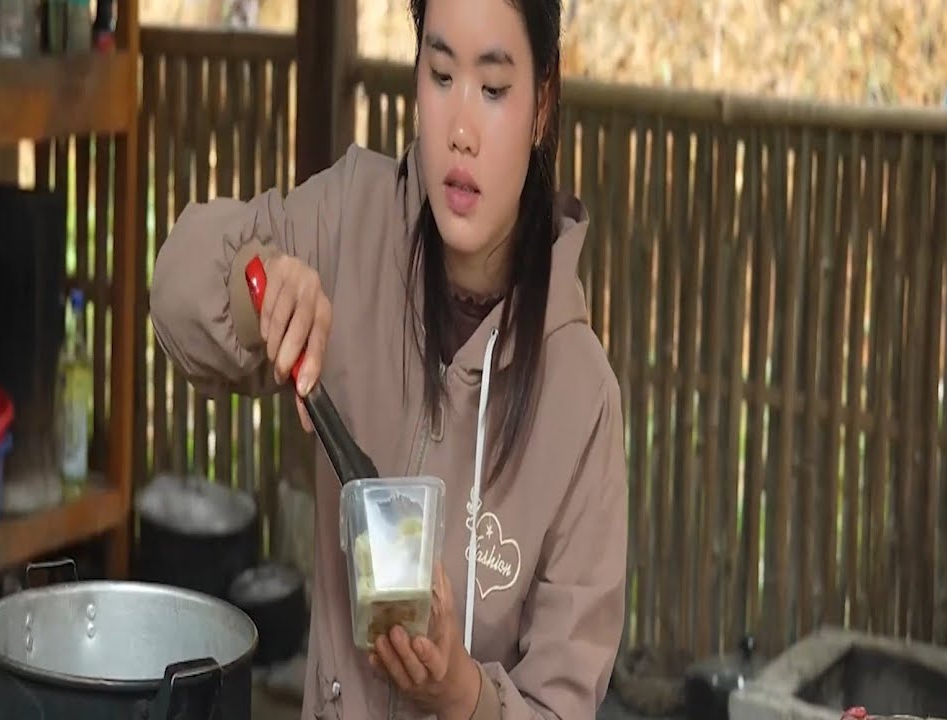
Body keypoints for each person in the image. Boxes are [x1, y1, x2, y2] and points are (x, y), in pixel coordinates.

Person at [149, 0, 627, 717]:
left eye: (494, 90)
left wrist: (461, 691)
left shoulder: (580, 394)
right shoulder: (353, 220)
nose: (460, 130)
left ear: (542, 105)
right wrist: (266, 292)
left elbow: (561, 706)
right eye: (440, 75)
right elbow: (175, 293)